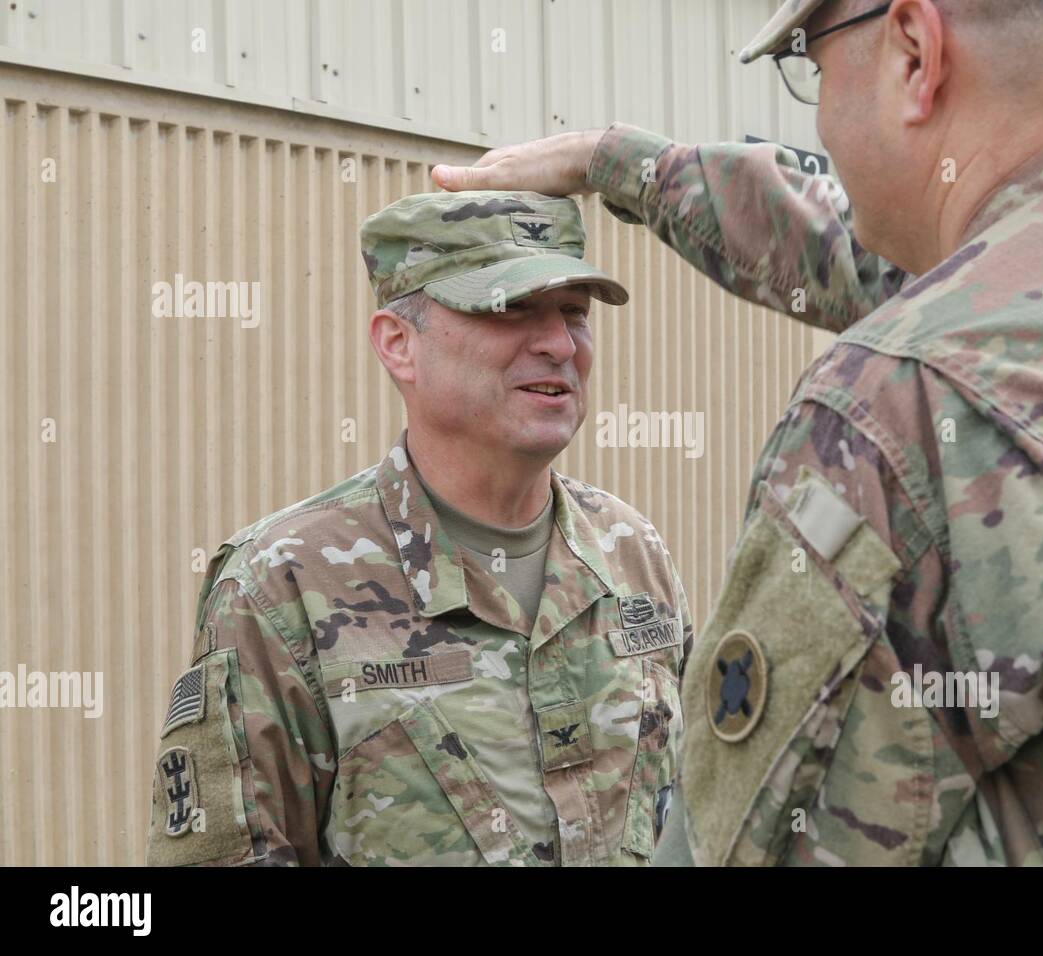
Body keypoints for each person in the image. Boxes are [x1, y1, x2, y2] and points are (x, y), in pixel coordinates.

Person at [431, 0, 1043, 866]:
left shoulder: (897, 415)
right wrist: (621, 164)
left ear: (915, 52)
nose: (819, 118)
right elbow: (885, 250)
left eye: (813, 63)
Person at [145, 191, 692, 866]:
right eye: (510, 308)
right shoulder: (284, 582)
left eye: (574, 314)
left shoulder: (631, 552)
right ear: (399, 345)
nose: (558, 344)